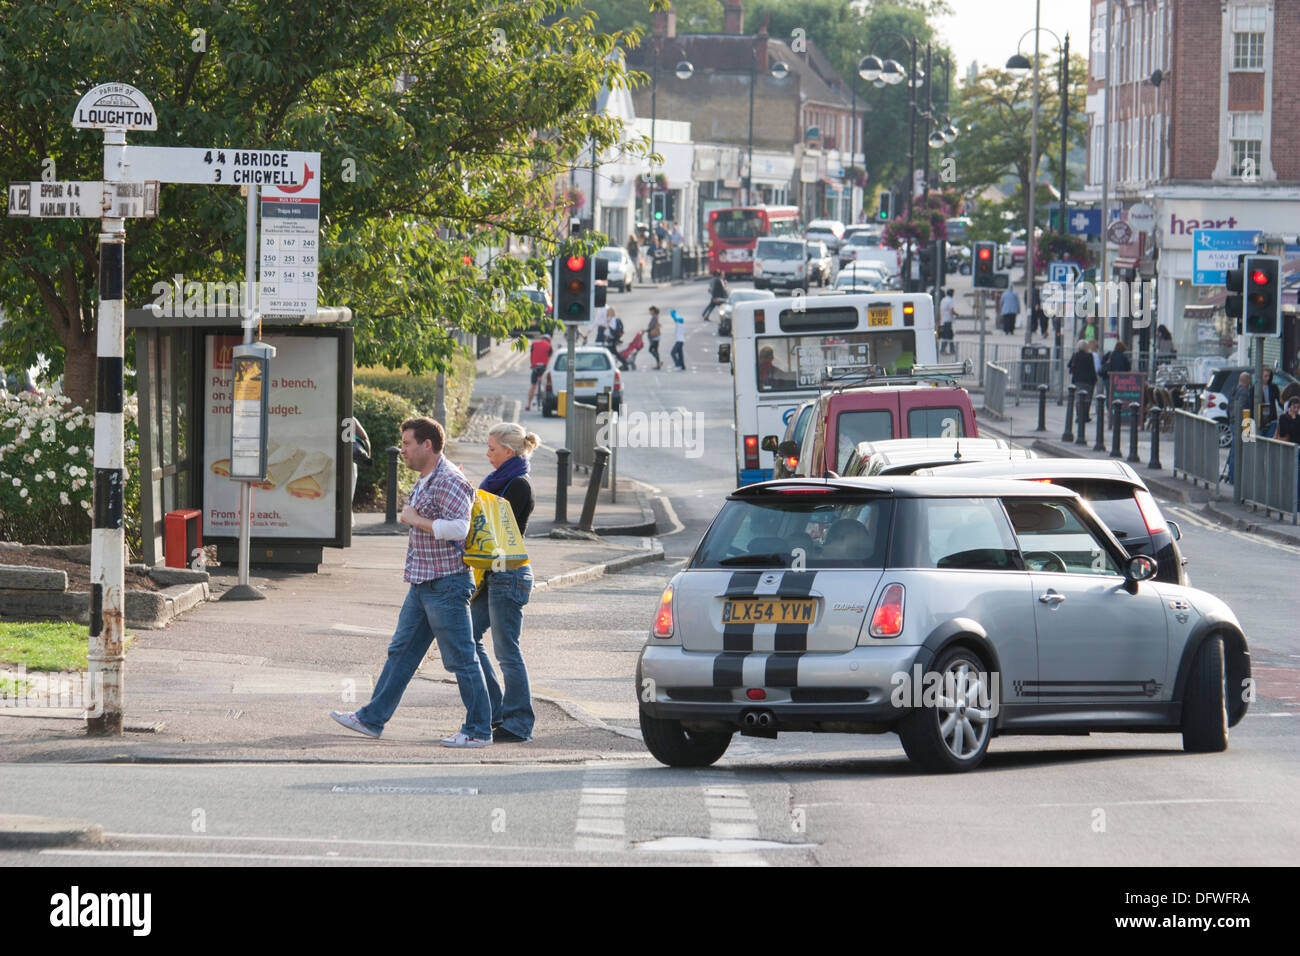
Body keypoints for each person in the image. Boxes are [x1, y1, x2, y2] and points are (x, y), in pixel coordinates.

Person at [330, 418, 492, 747]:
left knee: (461, 658)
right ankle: (371, 719)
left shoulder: (449, 479)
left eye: (406, 444)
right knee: (401, 653)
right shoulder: (428, 477)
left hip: (447, 585)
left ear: (427, 445)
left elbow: (459, 529)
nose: (402, 450)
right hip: (423, 584)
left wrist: (415, 519)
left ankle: (478, 730)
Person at [472, 423, 539, 743]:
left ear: (508, 451)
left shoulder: (517, 485)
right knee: (466, 639)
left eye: (492, 449)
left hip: (509, 575)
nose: (487, 454)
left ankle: (518, 722)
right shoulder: (500, 481)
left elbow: (495, 531)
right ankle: (495, 710)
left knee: (507, 651)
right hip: (493, 574)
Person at [1225, 371, 1253, 482]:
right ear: (1248, 381)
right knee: (1238, 452)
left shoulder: (1234, 390)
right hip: (1240, 424)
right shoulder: (1244, 392)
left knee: (1234, 451)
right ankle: (1234, 478)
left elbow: (1228, 408)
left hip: (1232, 422)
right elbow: (1242, 409)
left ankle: (1231, 475)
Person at [1069, 339, 1098, 424]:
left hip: (1077, 379)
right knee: (1087, 398)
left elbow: (1069, 365)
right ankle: (1085, 416)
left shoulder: (1075, 355)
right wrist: (1095, 379)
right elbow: (1092, 368)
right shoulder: (1089, 356)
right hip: (1088, 380)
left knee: (1078, 398)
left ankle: (1079, 416)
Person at [524, 332, 553, 412]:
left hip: (535, 368)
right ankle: (542, 399)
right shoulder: (549, 346)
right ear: (549, 340)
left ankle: (528, 405)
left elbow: (531, 355)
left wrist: (532, 365)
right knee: (544, 385)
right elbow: (549, 358)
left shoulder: (534, 344)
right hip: (543, 368)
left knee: (533, 386)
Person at [1260, 367, 1282, 436]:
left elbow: (1280, 401)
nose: (1267, 378)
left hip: (1272, 418)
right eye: (1265, 376)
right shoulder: (1255, 389)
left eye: (1269, 376)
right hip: (1260, 419)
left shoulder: (1273, 387)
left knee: (1270, 440)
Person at [938, 288, 957, 356]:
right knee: (947, 336)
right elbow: (951, 310)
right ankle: (942, 350)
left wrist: (940, 320)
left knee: (950, 335)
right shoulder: (950, 300)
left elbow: (940, 310)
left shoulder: (943, 300)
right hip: (948, 320)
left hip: (943, 320)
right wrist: (957, 314)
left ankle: (952, 349)